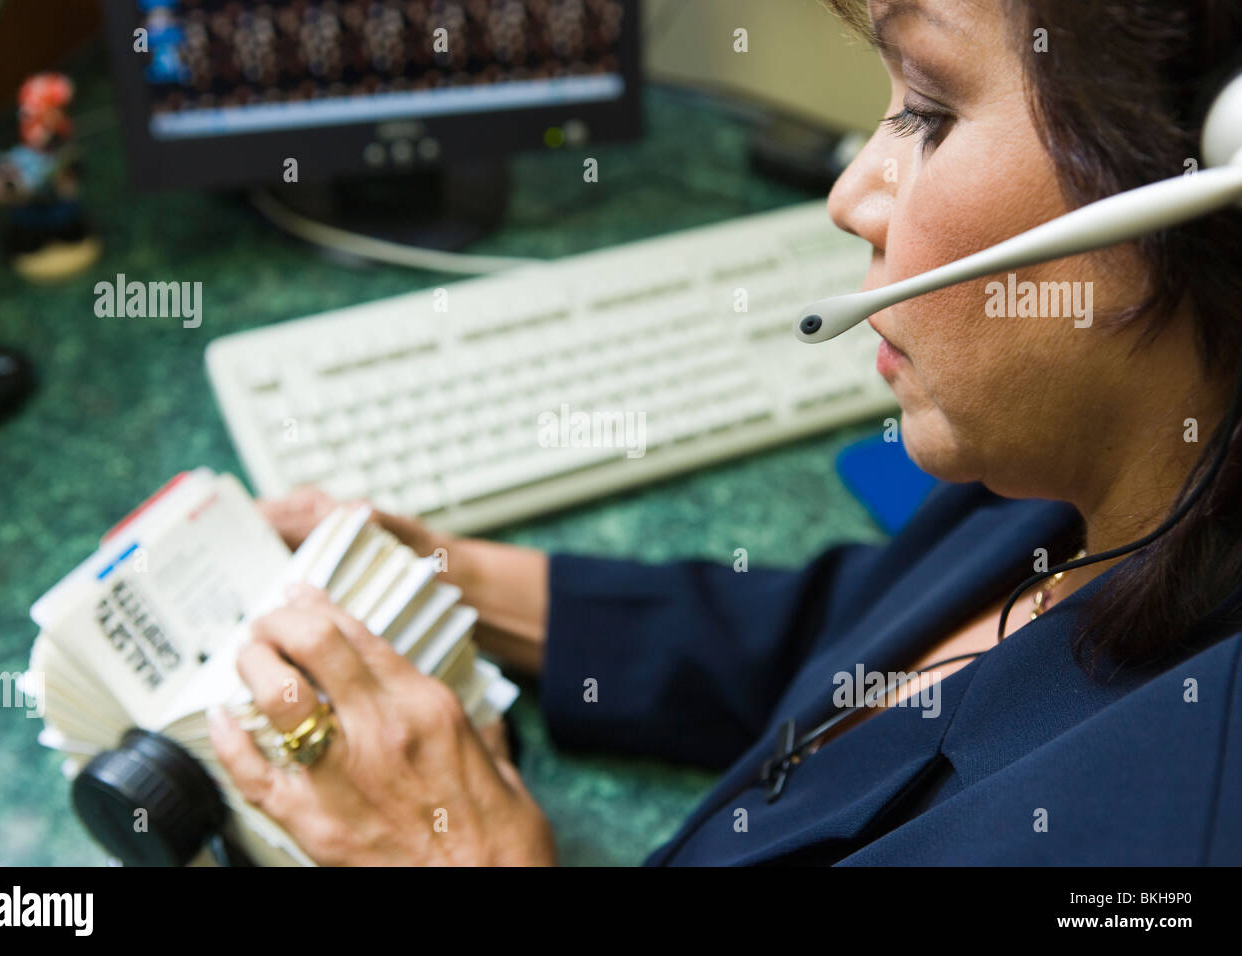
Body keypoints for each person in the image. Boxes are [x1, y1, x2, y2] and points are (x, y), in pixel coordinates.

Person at [206, 0, 1242, 865]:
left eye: (927, 110)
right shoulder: (1077, 465)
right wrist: (462, 584)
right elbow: (864, 654)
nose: (850, 195)